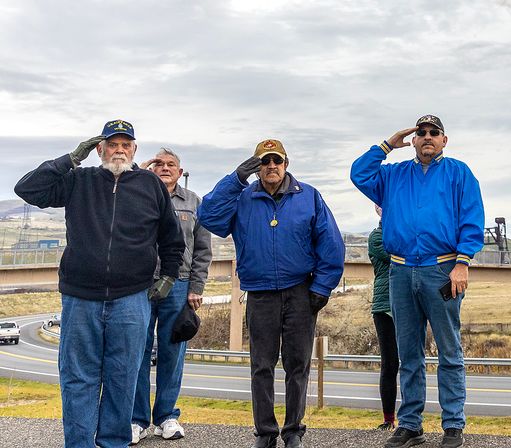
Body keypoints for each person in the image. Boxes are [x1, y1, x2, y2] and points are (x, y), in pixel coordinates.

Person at [14, 120, 184, 448]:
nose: (119, 150)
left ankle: (114, 443)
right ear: (99, 149)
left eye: (126, 144)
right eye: (112, 144)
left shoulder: (150, 185)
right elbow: (27, 189)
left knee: (123, 378)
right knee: (79, 378)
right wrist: (69, 159)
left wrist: (169, 276)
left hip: (132, 299)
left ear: (134, 149)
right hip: (80, 298)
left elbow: (172, 239)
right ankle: (78, 444)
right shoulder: (79, 180)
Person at [199, 139, 345, 448]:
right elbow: (209, 217)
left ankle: (293, 431)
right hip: (260, 294)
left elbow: (330, 243)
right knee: (261, 367)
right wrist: (235, 179)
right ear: (256, 168)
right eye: (264, 162)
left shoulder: (309, 197)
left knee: (297, 365)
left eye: (276, 160)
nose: (271, 166)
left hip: (300, 293)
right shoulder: (242, 198)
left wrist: (321, 286)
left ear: (286, 164)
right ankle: (265, 433)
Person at [351, 115, 485, 448]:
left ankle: (453, 424)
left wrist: (462, 262)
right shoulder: (393, 175)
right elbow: (359, 173)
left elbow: (472, 218)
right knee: (408, 353)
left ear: (444, 139)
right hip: (400, 271)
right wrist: (386, 145)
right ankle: (410, 423)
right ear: (413, 140)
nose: (427, 137)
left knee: (449, 349)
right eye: (421, 133)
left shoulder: (459, 173)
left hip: (441, 270)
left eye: (433, 133)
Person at [131, 148, 213, 443]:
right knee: (136, 351)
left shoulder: (193, 202)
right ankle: (136, 420)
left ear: (180, 172)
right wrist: (136, 173)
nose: (165, 168)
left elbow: (203, 249)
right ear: (149, 169)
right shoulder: (137, 193)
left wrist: (196, 287)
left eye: (171, 165)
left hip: (178, 284)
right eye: (158, 164)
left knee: (172, 353)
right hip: (138, 284)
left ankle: (167, 417)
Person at [368, 207, 399, 431]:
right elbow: (397, 255)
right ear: (378, 210)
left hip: (409, 303)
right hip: (384, 306)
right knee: (390, 363)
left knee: (411, 363)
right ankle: (389, 419)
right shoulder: (377, 237)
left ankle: (410, 418)